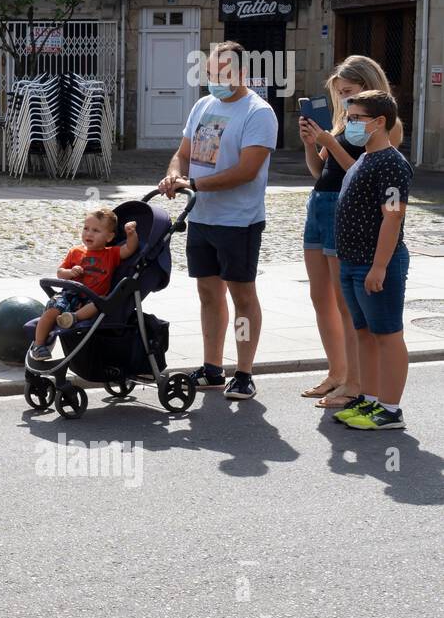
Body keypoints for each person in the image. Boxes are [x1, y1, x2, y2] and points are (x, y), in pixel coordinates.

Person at [159, 41, 278, 399]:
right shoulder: (203, 105)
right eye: (210, 73)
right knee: (208, 293)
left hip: (239, 220)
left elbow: (246, 171)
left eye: (223, 73)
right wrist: (172, 176)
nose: (215, 79)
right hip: (202, 216)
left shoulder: (259, 113)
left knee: (242, 295)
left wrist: (192, 183)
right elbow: (182, 154)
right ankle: (212, 368)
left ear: (242, 73)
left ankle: (244, 372)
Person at [297, 56, 403, 409]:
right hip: (321, 203)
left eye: (349, 92)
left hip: (348, 213)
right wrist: (313, 143)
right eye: (339, 93)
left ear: (368, 86)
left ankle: (355, 384)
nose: (343, 100)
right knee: (319, 297)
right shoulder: (344, 122)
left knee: (346, 304)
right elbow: (321, 170)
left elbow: (357, 171)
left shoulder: (385, 128)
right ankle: (337, 372)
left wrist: (331, 139)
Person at [329, 90, 412, 431]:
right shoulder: (364, 159)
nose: (349, 124)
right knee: (363, 331)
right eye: (349, 118)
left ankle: (391, 409)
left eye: (356, 118)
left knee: (387, 334)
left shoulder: (392, 164)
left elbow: (392, 218)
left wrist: (379, 266)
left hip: (376, 264)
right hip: (351, 261)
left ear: (379, 122)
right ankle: (371, 398)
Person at [30, 208, 139, 360]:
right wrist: (70, 273)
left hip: (92, 297)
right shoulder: (75, 251)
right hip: (70, 293)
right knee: (51, 310)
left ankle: (72, 318)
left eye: (96, 230)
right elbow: (60, 272)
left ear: (109, 237)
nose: (88, 233)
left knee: (99, 303)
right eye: (86, 228)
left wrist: (131, 233)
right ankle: (39, 345)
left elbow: (129, 249)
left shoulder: (111, 253)